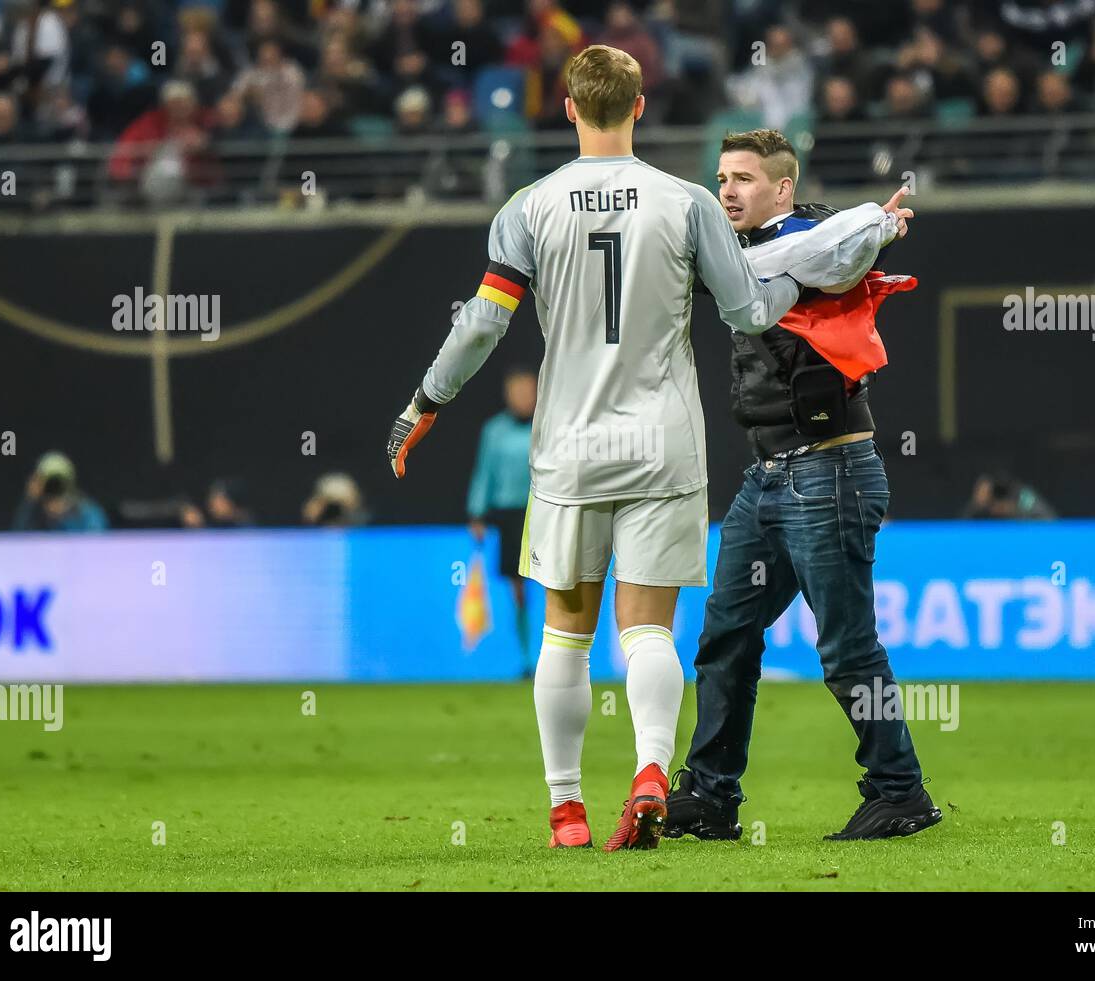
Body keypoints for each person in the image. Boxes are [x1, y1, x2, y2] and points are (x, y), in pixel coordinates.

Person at [385, 45, 908, 851]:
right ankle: (657, 773)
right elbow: (747, 310)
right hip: (664, 443)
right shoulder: (687, 200)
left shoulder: (530, 205)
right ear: (638, 108)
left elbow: (485, 322)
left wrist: (427, 400)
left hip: (569, 444)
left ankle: (566, 813)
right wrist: (816, 271)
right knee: (652, 631)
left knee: (566, 631)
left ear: (566, 108)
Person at [664, 129, 942, 842]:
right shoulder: (745, 255)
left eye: (746, 179)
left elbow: (841, 244)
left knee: (848, 647)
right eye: (722, 177)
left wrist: (875, 224)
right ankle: (712, 795)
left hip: (830, 469)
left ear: (783, 189)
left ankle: (900, 789)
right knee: (725, 634)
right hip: (767, 477)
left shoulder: (820, 242)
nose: (728, 189)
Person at [466, 368, 538, 678]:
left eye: (528, 391)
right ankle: (526, 658)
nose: (523, 398)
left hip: (546, 509)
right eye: (517, 392)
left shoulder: (549, 425)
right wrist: (477, 514)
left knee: (559, 583)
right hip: (511, 514)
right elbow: (485, 473)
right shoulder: (494, 431)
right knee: (518, 588)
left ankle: (560, 656)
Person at [12, 452, 108, 532]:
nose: (53, 488)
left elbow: (96, 544)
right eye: (48, 483)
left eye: (58, 482)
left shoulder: (88, 512)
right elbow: (19, 542)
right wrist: (30, 501)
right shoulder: (35, 514)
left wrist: (65, 518)